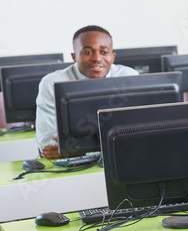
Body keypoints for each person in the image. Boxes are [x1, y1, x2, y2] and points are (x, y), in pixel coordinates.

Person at [35, 25, 139, 159]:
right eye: (88, 52)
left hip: (122, 157)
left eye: (104, 52)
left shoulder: (129, 76)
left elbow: (135, 132)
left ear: (113, 57)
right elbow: (48, 144)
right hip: (72, 165)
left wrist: (80, 150)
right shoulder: (51, 82)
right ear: (74, 56)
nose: (96, 58)